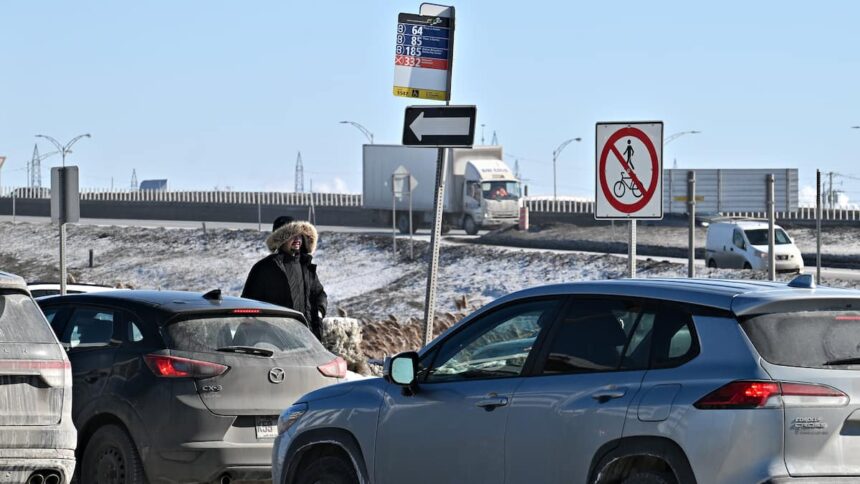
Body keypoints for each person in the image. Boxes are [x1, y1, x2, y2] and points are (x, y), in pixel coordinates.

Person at [241, 217, 328, 339]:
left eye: (300, 235)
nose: (297, 239)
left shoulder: (305, 265)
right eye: (292, 235)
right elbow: (248, 305)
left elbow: (320, 294)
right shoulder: (264, 268)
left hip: (307, 339)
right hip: (274, 342)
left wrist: (319, 313)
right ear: (280, 239)